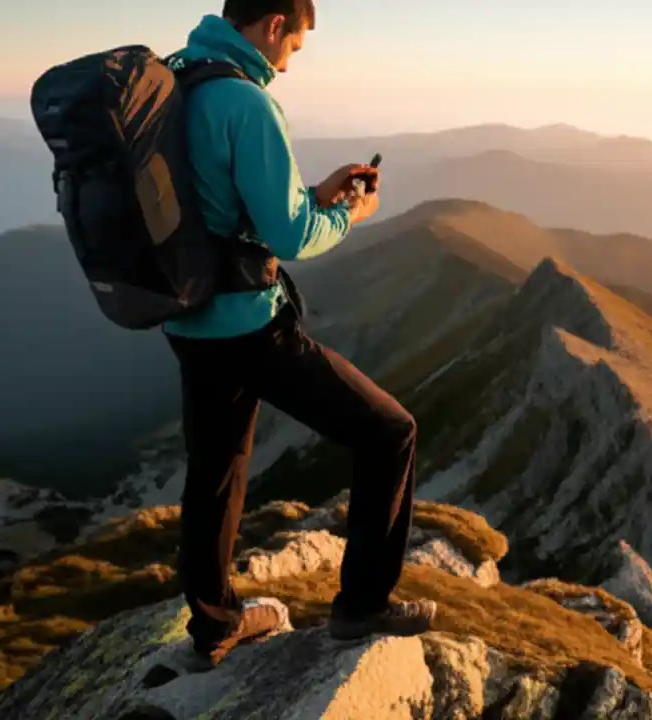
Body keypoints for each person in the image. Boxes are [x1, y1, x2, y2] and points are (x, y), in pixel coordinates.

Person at [164, 0, 435, 665]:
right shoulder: (247, 103)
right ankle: (363, 605)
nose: (290, 62)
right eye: (296, 46)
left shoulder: (180, 77)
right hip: (248, 324)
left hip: (185, 311)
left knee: (217, 469)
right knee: (389, 431)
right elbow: (288, 236)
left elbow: (227, 207)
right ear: (277, 24)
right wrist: (349, 214)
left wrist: (314, 191)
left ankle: (215, 623)